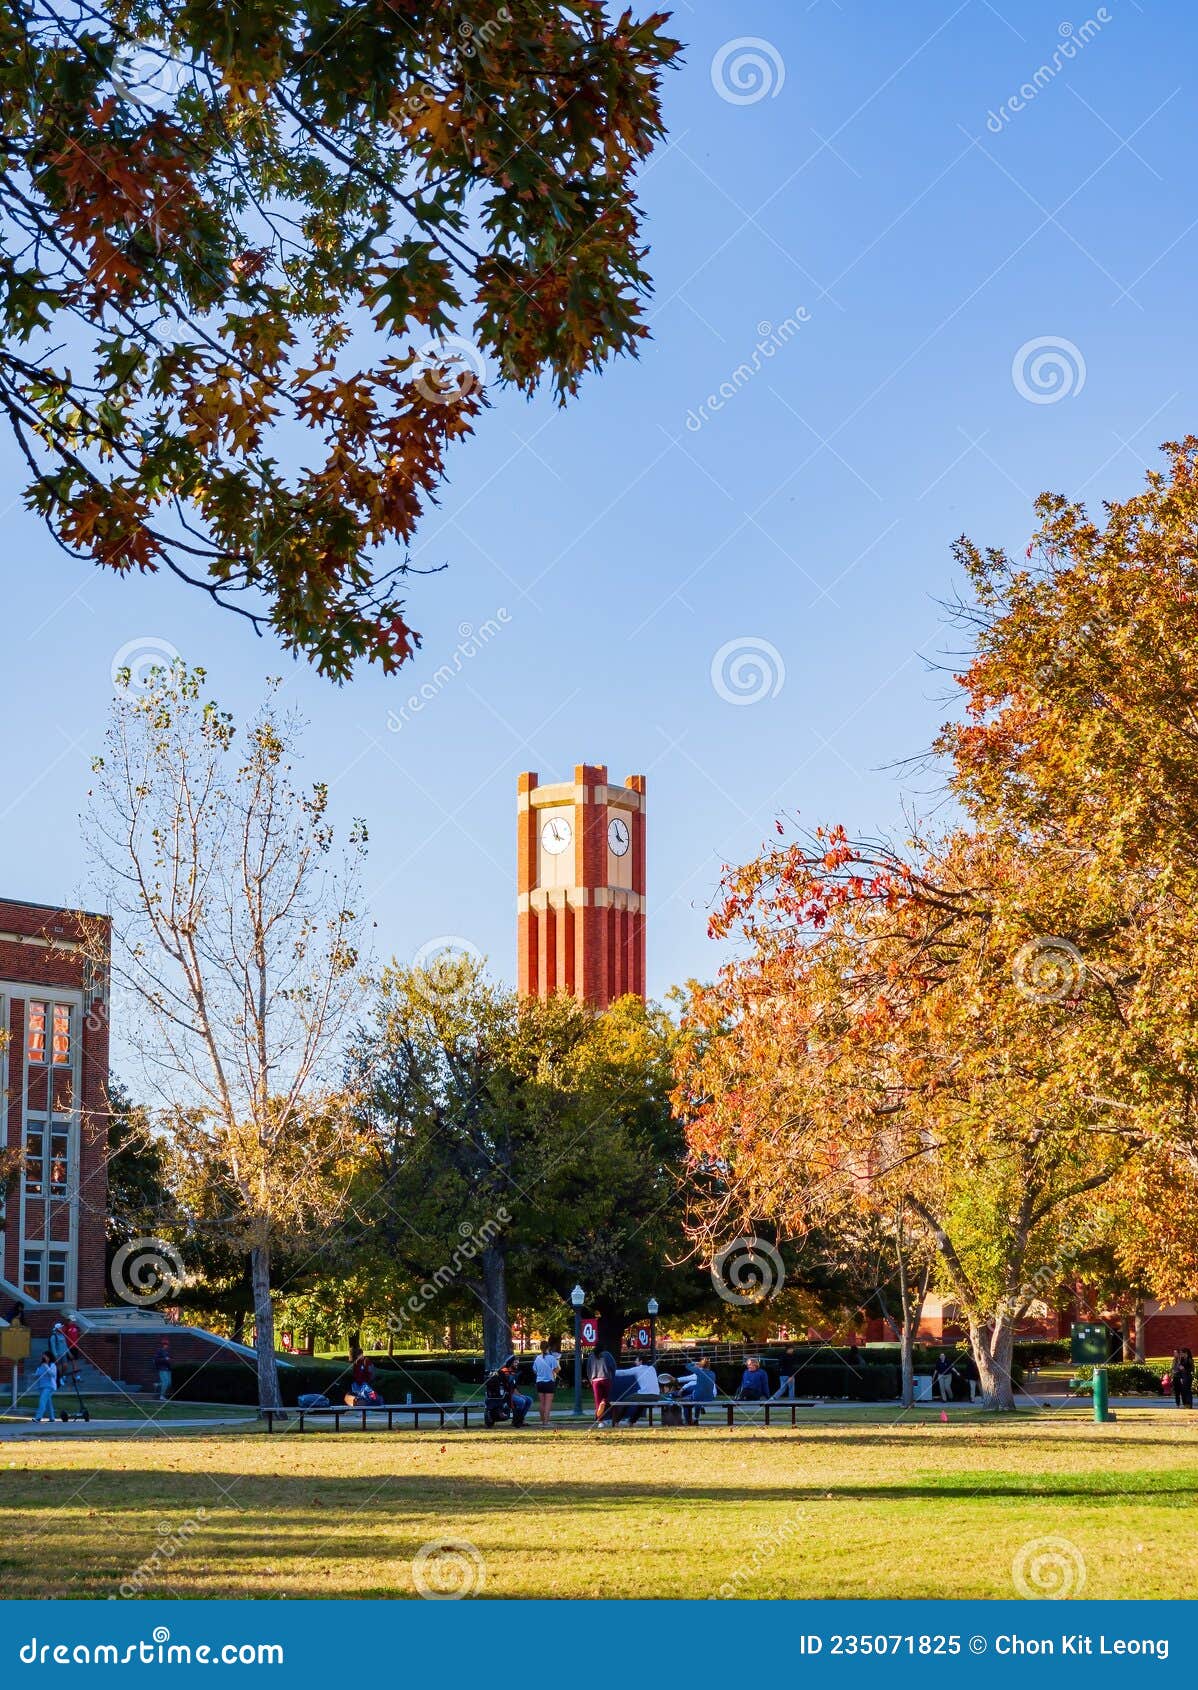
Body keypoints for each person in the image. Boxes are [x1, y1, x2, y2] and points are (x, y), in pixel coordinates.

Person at [492, 1355, 530, 1427]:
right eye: (515, 1362)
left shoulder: (513, 1372)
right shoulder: (504, 1372)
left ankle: (520, 1419)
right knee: (522, 1401)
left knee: (529, 1400)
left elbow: (514, 1387)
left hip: (512, 1393)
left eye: (518, 1362)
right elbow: (506, 1387)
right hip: (506, 1395)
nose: (517, 1364)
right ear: (511, 1363)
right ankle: (516, 1421)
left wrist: (520, 1395)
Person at [680, 1355, 717, 1425]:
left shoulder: (699, 1371)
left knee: (685, 1402)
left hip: (699, 1397)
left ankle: (688, 1422)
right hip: (710, 1398)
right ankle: (696, 1419)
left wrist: (696, 1363)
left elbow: (687, 1366)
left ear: (701, 1365)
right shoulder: (713, 1373)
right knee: (698, 1399)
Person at [587, 1345, 617, 1428]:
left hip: (595, 1380)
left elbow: (588, 1369)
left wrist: (591, 1380)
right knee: (607, 1397)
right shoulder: (607, 1354)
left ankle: (600, 1421)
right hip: (606, 1378)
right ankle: (604, 1402)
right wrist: (612, 1377)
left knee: (597, 1401)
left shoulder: (591, 1356)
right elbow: (613, 1366)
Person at [532, 1340, 560, 1425]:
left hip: (539, 1382)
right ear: (548, 1348)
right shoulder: (552, 1358)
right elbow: (556, 1369)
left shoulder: (537, 1358)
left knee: (542, 1403)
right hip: (549, 1382)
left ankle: (542, 1420)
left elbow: (534, 1370)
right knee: (548, 1404)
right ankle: (546, 1422)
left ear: (540, 1348)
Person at [32, 1351, 57, 1424]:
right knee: (48, 1402)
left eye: (45, 1356)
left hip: (49, 1386)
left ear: (49, 1357)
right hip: (41, 1386)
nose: (44, 1357)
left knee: (42, 1401)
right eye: (43, 1356)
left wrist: (46, 1367)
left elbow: (52, 1374)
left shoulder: (52, 1365)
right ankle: (52, 1417)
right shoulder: (41, 1365)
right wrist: (34, 1375)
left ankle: (38, 1418)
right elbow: (38, 1374)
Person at [48, 1319, 71, 1386]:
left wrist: (69, 1352)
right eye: (60, 1327)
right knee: (59, 1367)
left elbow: (65, 1345)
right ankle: (60, 1379)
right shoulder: (53, 1336)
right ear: (57, 1329)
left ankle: (63, 1376)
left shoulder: (63, 1335)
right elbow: (53, 1347)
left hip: (64, 1354)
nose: (62, 1328)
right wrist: (55, 1355)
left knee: (65, 1366)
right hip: (58, 1354)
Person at [152, 1338, 172, 1403]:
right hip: (162, 1369)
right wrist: (164, 1359)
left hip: (168, 1369)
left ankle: (157, 1384)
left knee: (169, 1383)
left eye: (167, 1344)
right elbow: (155, 1360)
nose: (166, 1345)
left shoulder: (167, 1352)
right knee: (165, 1382)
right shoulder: (159, 1351)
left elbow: (168, 1360)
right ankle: (162, 1396)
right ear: (162, 1344)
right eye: (164, 1344)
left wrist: (169, 1362)